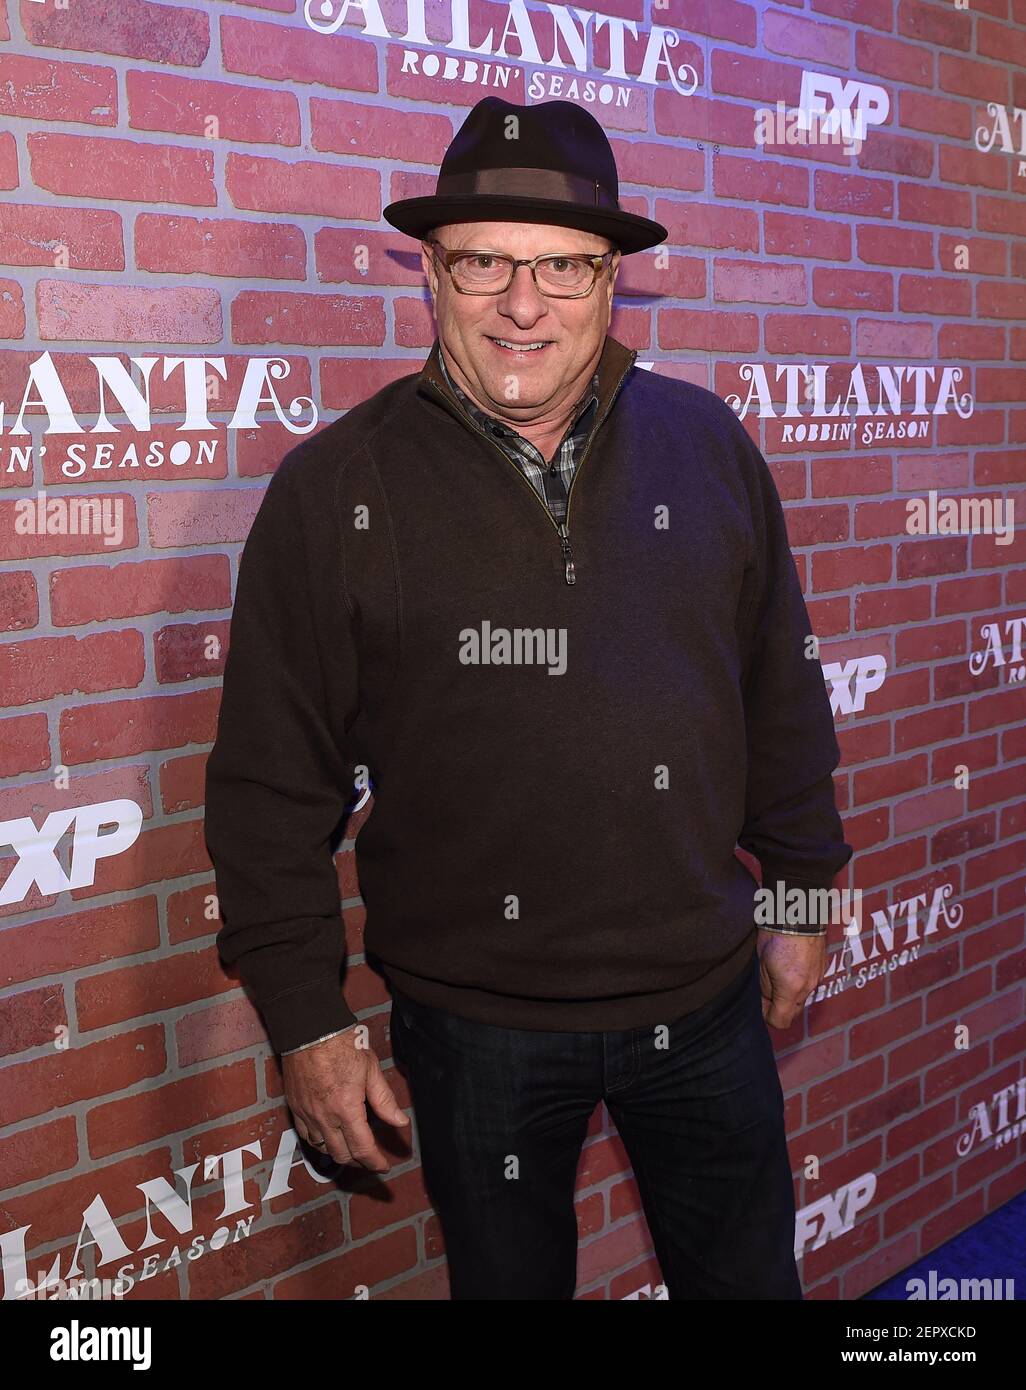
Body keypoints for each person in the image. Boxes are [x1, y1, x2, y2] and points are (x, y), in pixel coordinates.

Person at [204, 96, 853, 1300]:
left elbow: (783, 697)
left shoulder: (710, 447)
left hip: (702, 1001)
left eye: (563, 265)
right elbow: (266, 786)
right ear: (432, 277)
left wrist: (805, 889)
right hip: (473, 1029)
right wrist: (307, 1018)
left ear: (615, 281)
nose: (522, 302)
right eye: (484, 261)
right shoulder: (333, 488)